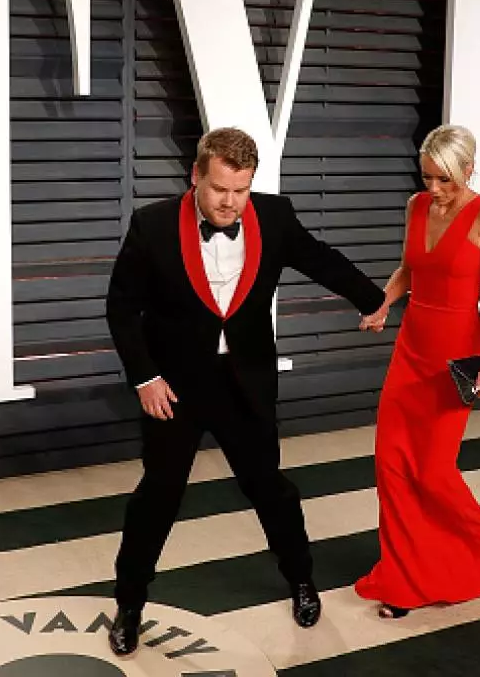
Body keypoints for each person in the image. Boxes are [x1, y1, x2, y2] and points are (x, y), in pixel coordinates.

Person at [104, 126, 386, 655]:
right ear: (196, 176)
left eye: (240, 190)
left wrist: (370, 299)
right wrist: (145, 376)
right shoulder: (153, 225)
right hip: (174, 388)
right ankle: (130, 603)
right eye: (219, 190)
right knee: (158, 498)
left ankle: (301, 580)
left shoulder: (274, 216)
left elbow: (319, 258)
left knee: (270, 489)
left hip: (246, 382)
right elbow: (121, 308)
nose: (230, 202)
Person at [354, 124, 480, 618]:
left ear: (467, 170)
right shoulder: (416, 207)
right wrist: (382, 304)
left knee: (433, 470)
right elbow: (409, 270)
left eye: (445, 180)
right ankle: (406, 577)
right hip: (411, 346)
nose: (435, 190)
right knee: (392, 464)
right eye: (427, 178)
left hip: (455, 352)